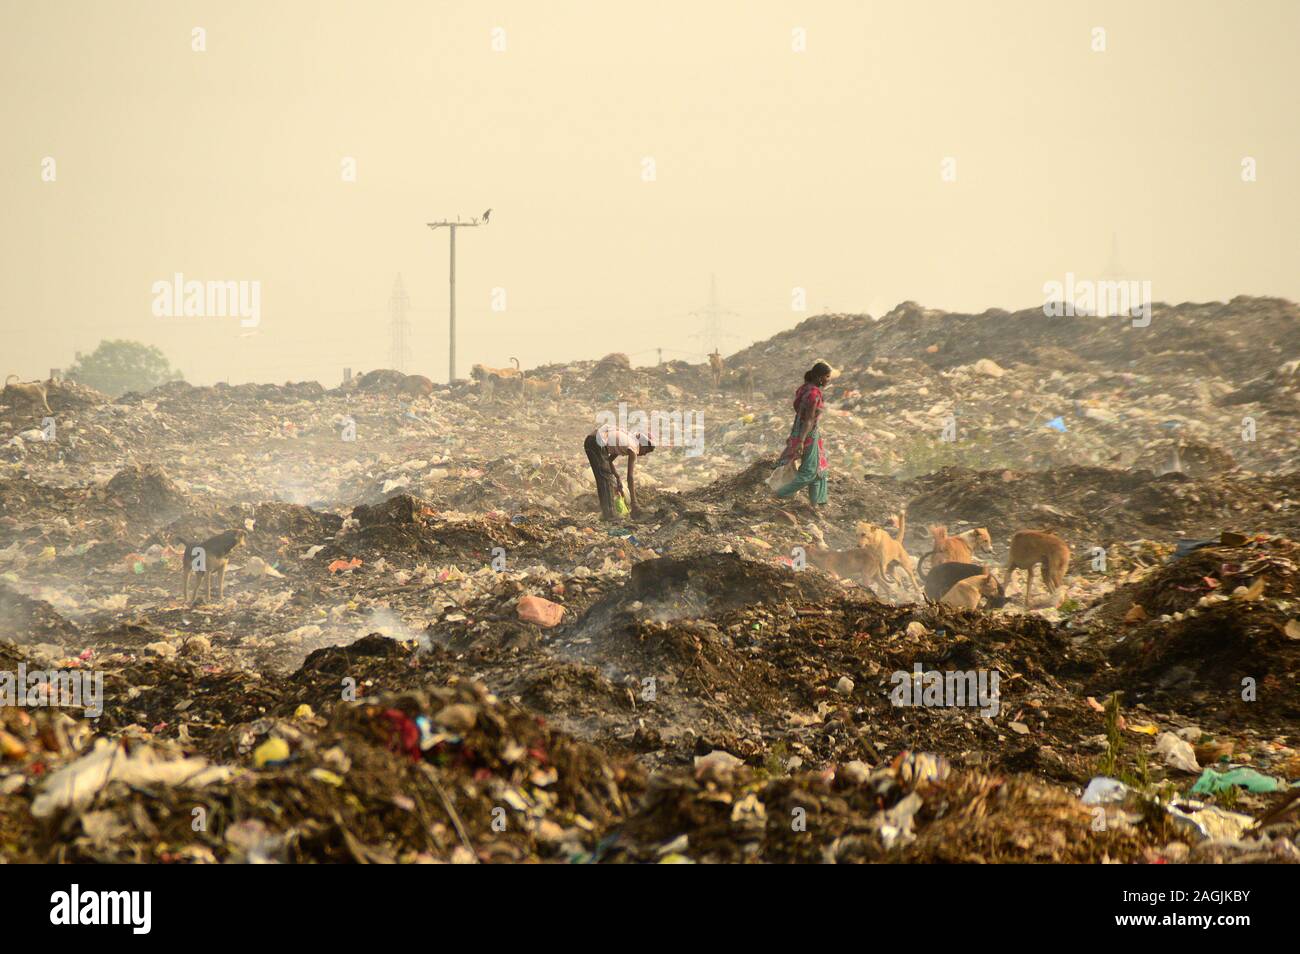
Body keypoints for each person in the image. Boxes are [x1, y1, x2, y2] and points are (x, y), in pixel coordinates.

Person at [775, 361, 832, 509]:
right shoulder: (814, 394)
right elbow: (809, 420)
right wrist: (801, 440)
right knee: (809, 473)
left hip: (802, 431)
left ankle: (815, 506)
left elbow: (800, 413)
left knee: (819, 470)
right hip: (807, 434)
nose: (828, 379)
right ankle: (779, 493)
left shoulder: (804, 389)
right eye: (827, 376)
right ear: (819, 377)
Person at [584, 424, 654, 521]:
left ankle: (608, 512)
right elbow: (630, 477)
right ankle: (609, 515)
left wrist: (617, 478)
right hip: (597, 442)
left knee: (604, 478)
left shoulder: (627, 440)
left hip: (591, 440)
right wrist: (634, 503)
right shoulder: (633, 447)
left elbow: (608, 461)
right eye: (646, 450)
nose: (644, 454)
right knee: (605, 478)